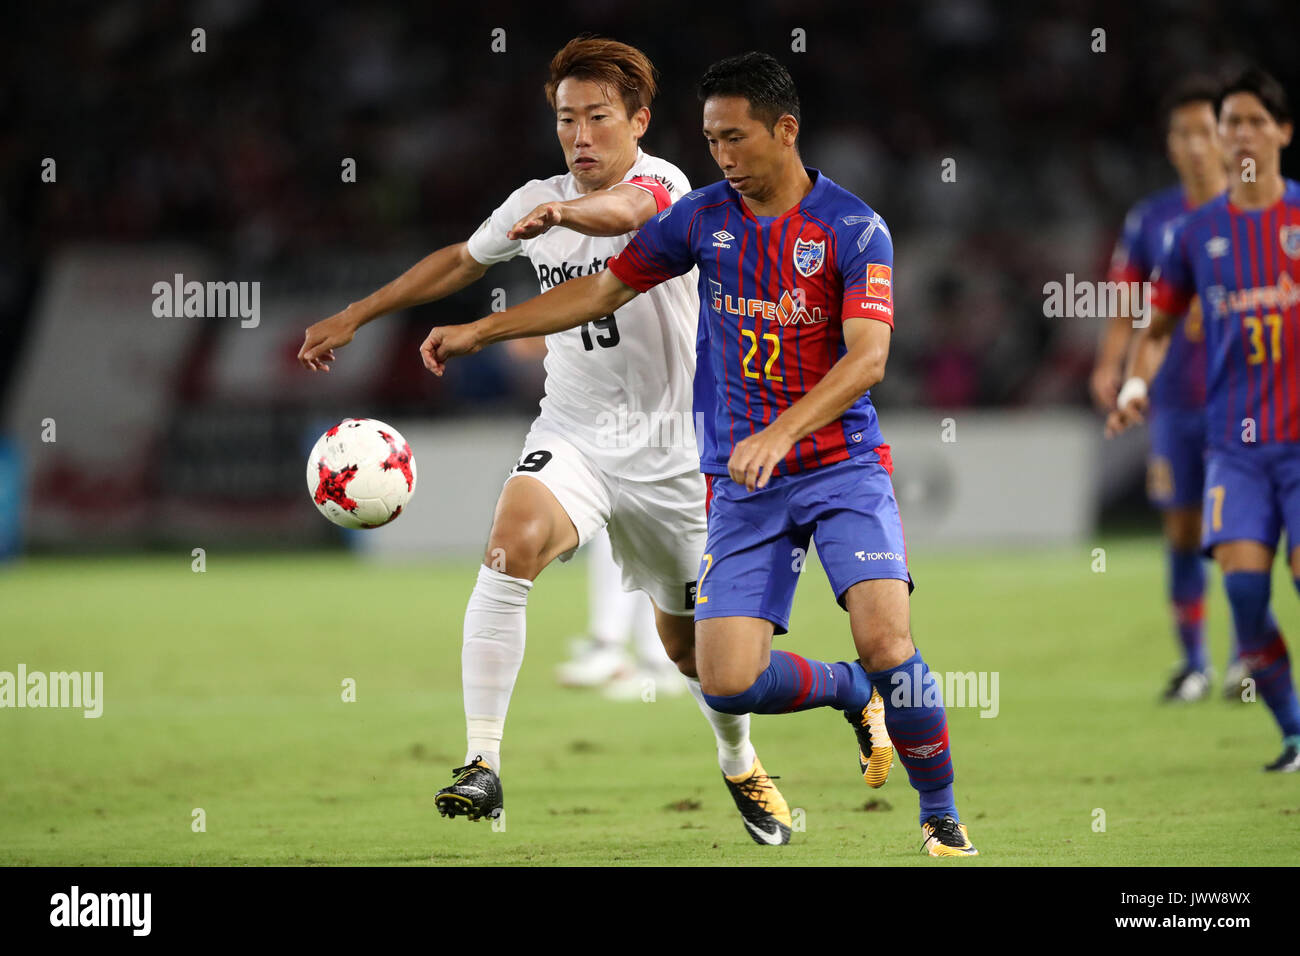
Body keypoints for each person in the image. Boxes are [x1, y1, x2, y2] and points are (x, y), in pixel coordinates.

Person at [421, 52, 975, 855]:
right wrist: (484, 328)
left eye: (736, 139)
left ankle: (940, 811)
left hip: (839, 465)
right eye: (711, 139)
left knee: (886, 639)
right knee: (725, 679)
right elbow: (604, 289)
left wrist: (783, 431)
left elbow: (868, 359)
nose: (721, 157)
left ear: (785, 132)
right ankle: (849, 694)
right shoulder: (703, 217)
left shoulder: (853, 228)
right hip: (740, 482)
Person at [299, 36, 831, 845]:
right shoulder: (534, 198)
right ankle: (482, 763)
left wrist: (562, 217)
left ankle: (739, 763)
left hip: (675, 455)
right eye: (565, 120)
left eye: (597, 118)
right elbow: (459, 261)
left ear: (638, 120)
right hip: (576, 434)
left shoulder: (672, 185)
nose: (580, 137)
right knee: (510, 545)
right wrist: (356, 314)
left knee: (693, 658)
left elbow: (625, 216)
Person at [1108, 66, 1300, 772]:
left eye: (1255, 120)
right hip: (1234, 445)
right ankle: (1292, 732)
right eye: (1230, 123)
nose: (1239, 134)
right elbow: (1154, 327)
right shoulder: (1190, 235)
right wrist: (1132, 385)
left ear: (1282, 131)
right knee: (1244, 591)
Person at [1090, 76, 1241, 701]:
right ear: (1171, 145)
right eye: (1184, 134)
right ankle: (1196, 664)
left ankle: (1248, 661)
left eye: (1206, 132)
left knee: (1242, 531)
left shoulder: (1260, 214)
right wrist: (1111, 365)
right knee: (1182, 529)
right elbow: (1127, 304)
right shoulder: (1153, 219)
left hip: (1246, 399)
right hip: (1175, 397)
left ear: (1227, 139)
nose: (1197, 145)